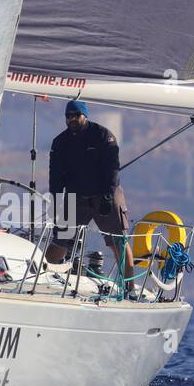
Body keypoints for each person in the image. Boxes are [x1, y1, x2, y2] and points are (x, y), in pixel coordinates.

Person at [45, 100, 134, 289]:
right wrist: (55, 200)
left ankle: (129, 288)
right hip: (75, 197)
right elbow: (55, 176)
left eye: (76, 115)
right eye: (68, 116)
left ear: (85, 115)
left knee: (117, 241)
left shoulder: (103, 136)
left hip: (105, 195)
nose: (72, 119)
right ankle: (45, 281)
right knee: (60, 241)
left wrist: (108, 196)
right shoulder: (60, 142)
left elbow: (112, 169)